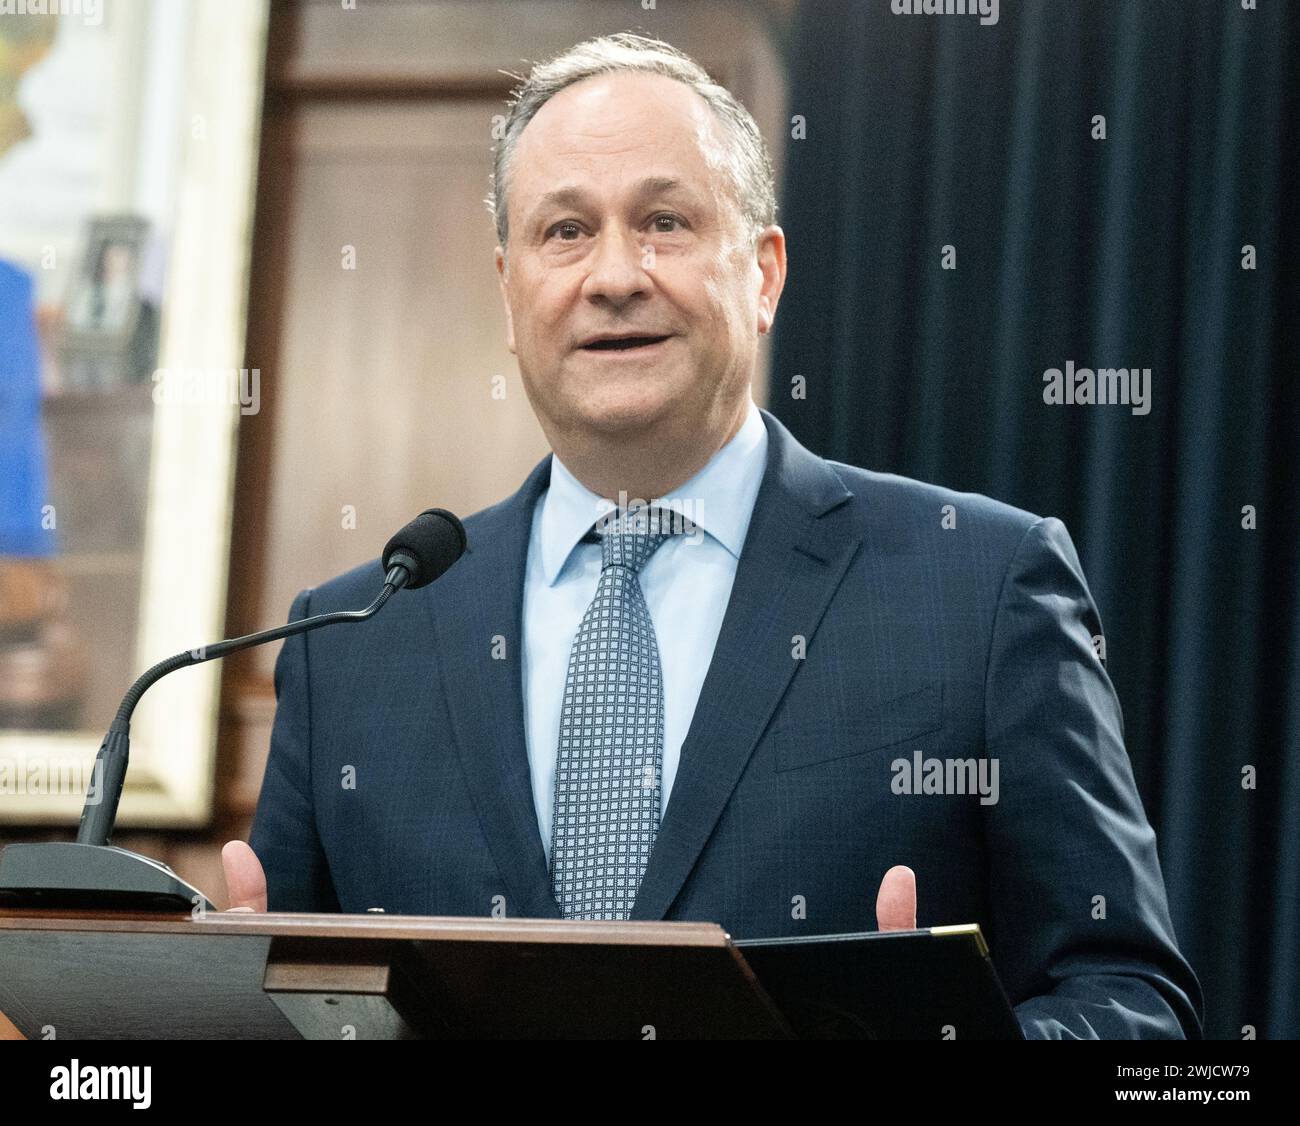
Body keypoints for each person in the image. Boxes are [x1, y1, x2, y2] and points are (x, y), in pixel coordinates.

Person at [226, 33, 1203, 1039]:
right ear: (509, 292)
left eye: (664, 222)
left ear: (765, 272)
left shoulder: (979, 588)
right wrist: (238, 1014)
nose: (613, 275)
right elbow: (301, 998)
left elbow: (1131, 1004)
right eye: (564, 231)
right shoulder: (353, 642)